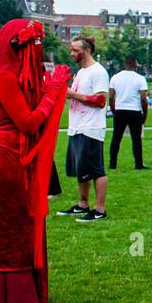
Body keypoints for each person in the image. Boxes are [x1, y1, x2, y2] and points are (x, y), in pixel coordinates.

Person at [0, 20, 71, 303]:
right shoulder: (4, 78)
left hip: (0, 154)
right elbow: (29, 122)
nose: (36, 54)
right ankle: (19, 301)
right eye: (33, 48)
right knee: (13, 226)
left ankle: (0, 298)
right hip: (4, 158)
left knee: (0, 226)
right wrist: (53, 92)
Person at [57, 37, 109, 222]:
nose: (71, 53)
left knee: (96, 170)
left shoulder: (98, 72)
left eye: (74, 50)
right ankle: (82, 204)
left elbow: (101, 100)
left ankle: (100, 209)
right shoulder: (81, 72)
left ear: (86, 51)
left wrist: (72, 94)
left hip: (91, 127)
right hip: (77, 126)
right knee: (82, 170)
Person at [108, 56, 150, 170]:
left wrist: (114, 111)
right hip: (134, 111)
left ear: (125, 63)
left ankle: (112, 164)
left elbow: (111, 97)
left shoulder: (115, 78)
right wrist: (145, 113)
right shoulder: (140, 78)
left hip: (120, 110)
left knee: (116, 138)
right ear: (135, 64)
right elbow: (143, 99)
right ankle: (139, 163)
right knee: (136, 139)